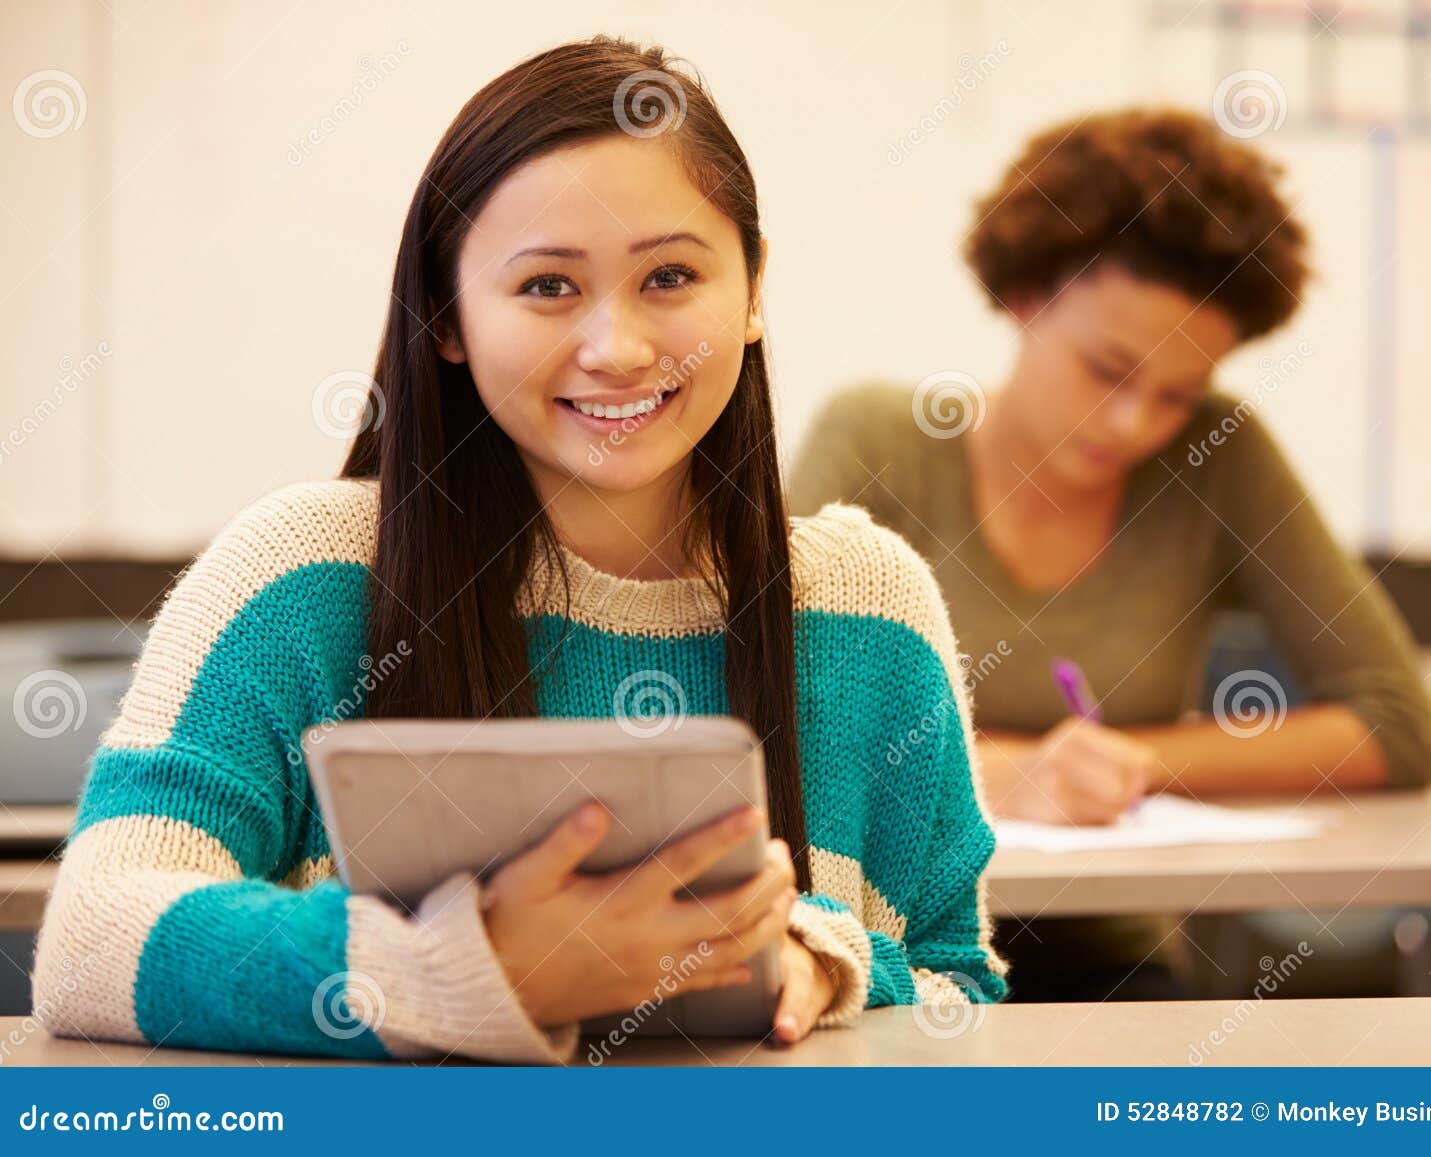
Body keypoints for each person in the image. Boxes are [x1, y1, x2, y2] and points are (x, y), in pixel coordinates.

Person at [31, 36, 1007, 1063]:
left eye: (670, 275)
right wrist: (469, 964)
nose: (616, 348)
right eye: (546, 286)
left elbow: (958, 980)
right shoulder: (303, 571)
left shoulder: (870, 603)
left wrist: (818, 956)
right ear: (447, 315)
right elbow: (94, 937)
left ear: (754, 289)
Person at [789, 108, 1431, 1001]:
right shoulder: (876, 440)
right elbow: (766, 704)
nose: (1135, 424)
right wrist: (996, 774)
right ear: (1026, 301)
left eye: (1178, 393)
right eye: (1108, 369)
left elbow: (1397, 725)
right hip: (874, 955)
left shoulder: (1218, 457)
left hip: (1112, 955)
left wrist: (1126, 763)